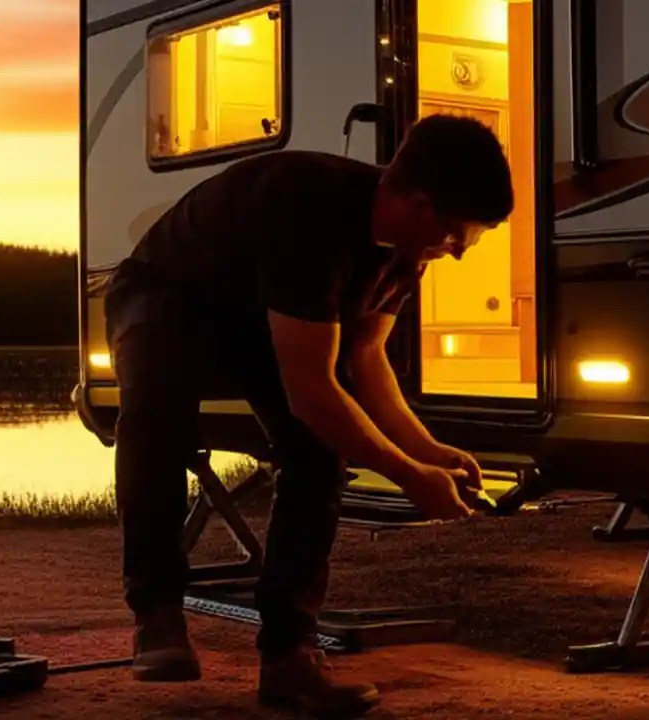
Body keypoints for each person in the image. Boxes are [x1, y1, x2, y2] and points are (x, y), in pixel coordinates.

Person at [103, 114, 514, 717]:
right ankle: (157, 612)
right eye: (455, 236)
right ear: (419, 205)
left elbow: (366, 358)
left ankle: (289, 655)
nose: (454, 252)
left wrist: (429, 451)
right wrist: (409, 477)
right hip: (167, 294)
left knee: (318, 453)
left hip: (258, 319)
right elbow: (312, 392)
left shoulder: (405, 251)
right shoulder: (309, 210)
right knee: (155, 416)